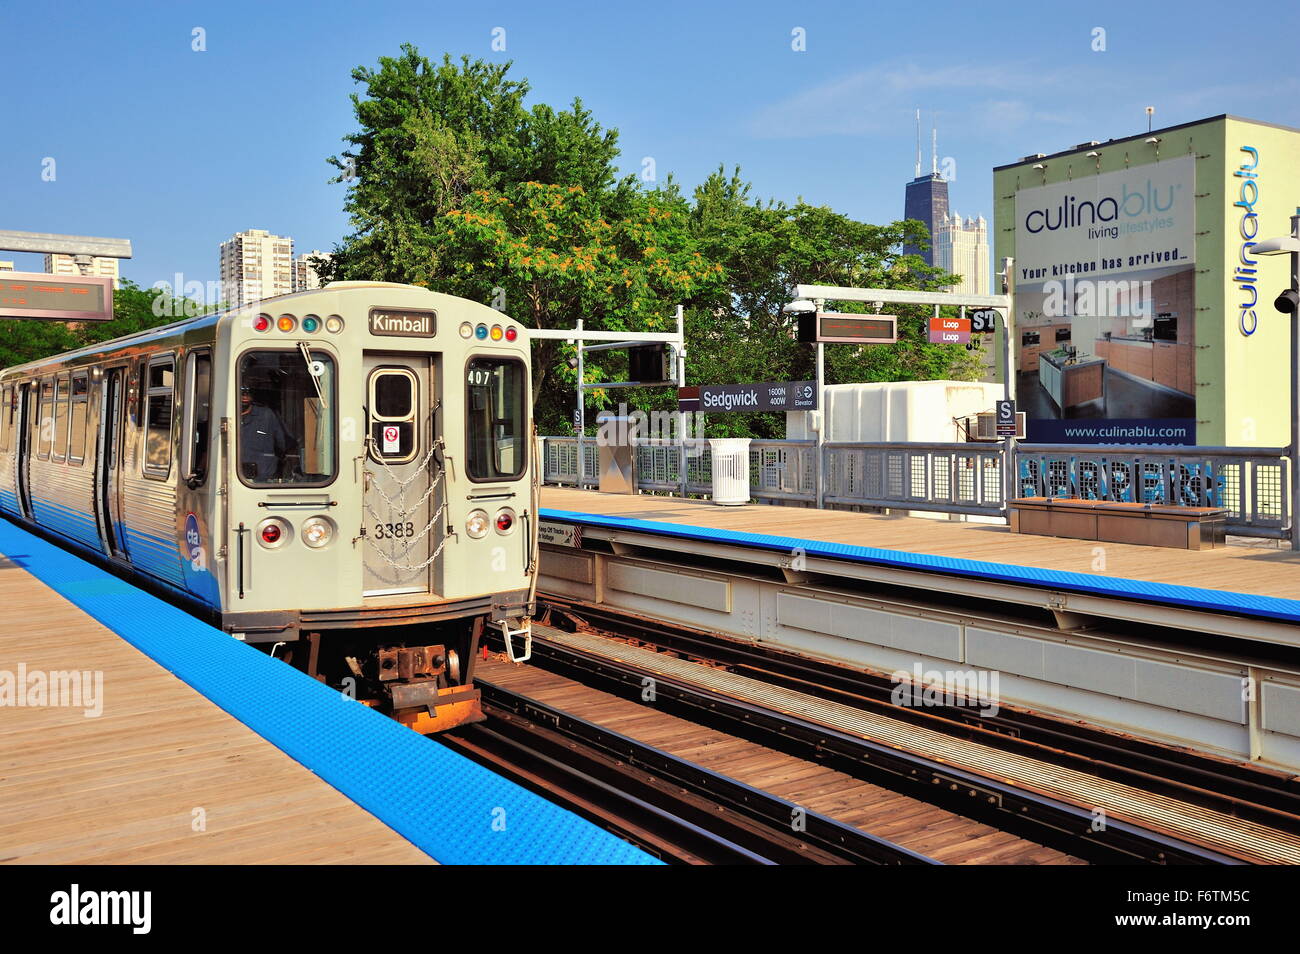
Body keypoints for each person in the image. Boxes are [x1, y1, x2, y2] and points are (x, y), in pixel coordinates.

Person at [239, 385, 292, 481]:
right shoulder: (225, 415)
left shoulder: (266, 415)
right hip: (232, 477)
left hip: (263, 481)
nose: (245, 396)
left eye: (248, 393)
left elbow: (282, 445)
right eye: (241, 393)